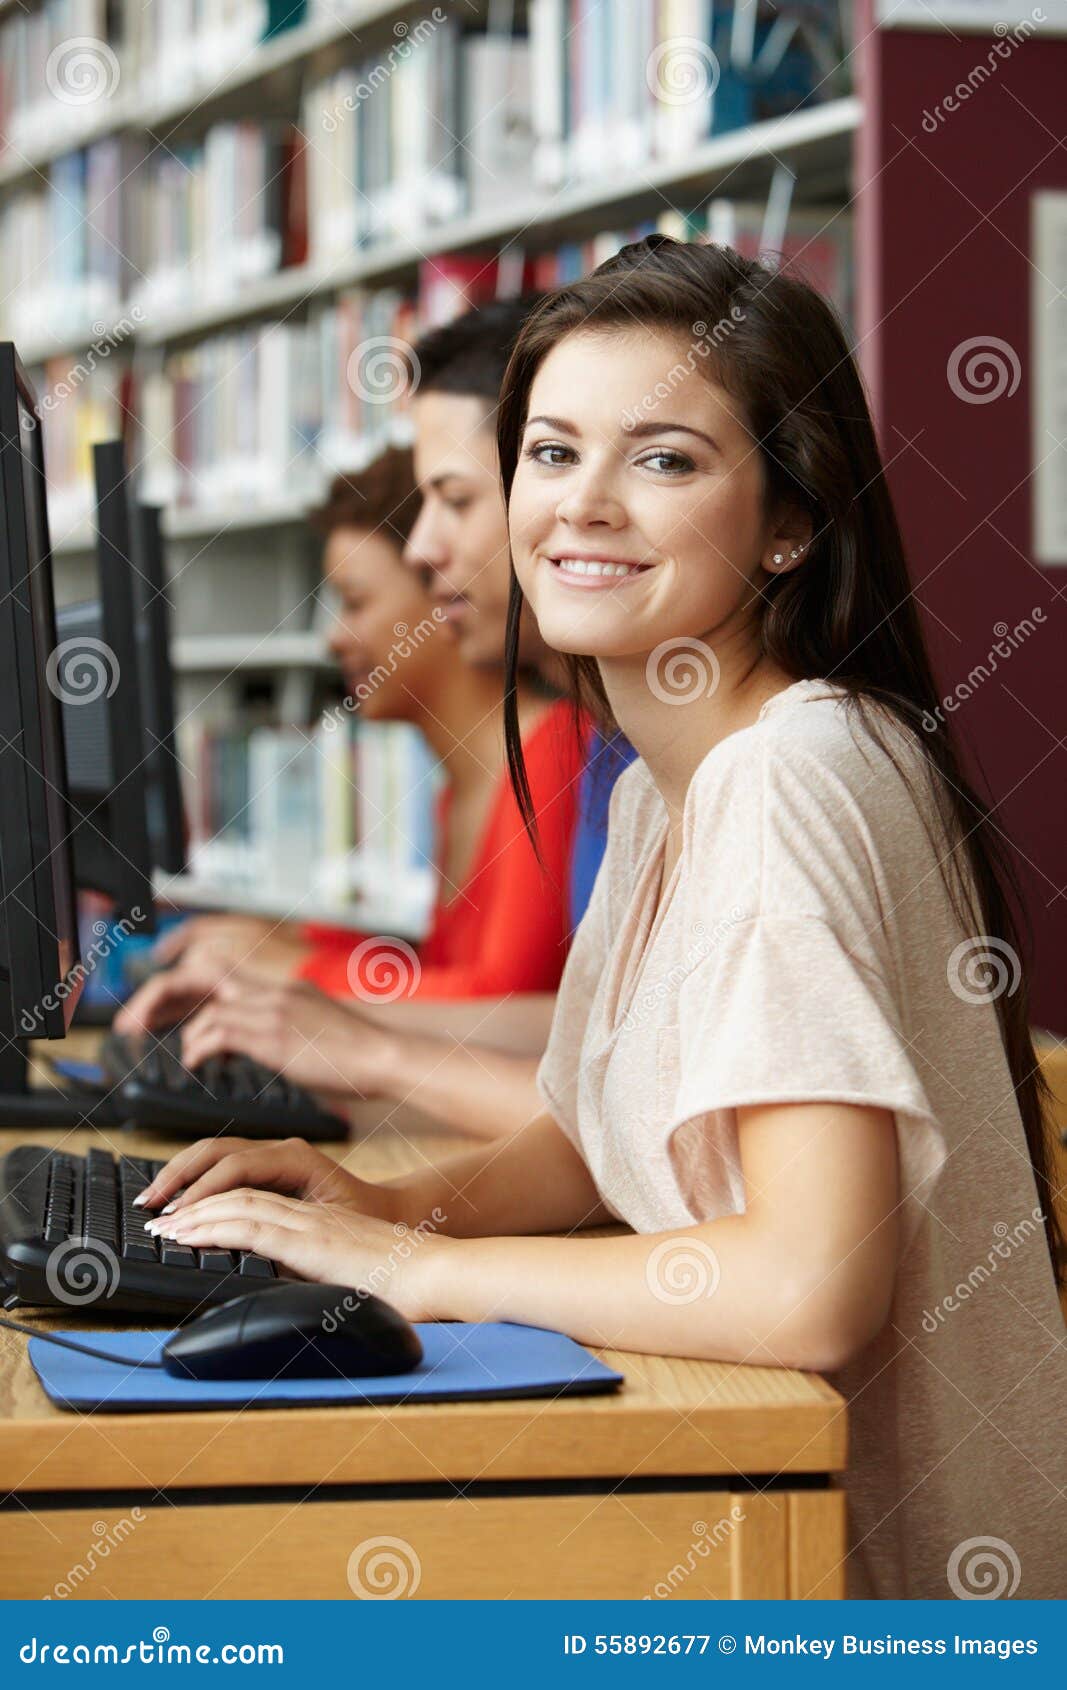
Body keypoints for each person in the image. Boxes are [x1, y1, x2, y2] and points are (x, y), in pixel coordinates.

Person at [136, 235, 1067, 1598]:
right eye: (551, 452)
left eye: (664, 459)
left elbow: (808, 1282)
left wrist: (411, 1270)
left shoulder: (783, 774)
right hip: (772, 1522)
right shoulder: (660, 788)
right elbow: (589, 1136)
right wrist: (388, 1204)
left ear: (790, 520)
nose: (582, 503)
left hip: (896, 1608)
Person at [121, 299, 633, 1140]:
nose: (335, 637)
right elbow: (579, 1037)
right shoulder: (493, 775)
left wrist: (305, 979)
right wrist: (292, 971)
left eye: (357, 602)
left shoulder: (568, 752)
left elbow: (522, 1008)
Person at [118, 446, 584, 1032]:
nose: (334, 639)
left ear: (446, 595)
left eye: (355, 603)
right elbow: (445, 973)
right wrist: (286, 943)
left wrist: (295, 970)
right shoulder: (461, 784)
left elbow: (499, 1006)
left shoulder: (550, 756)